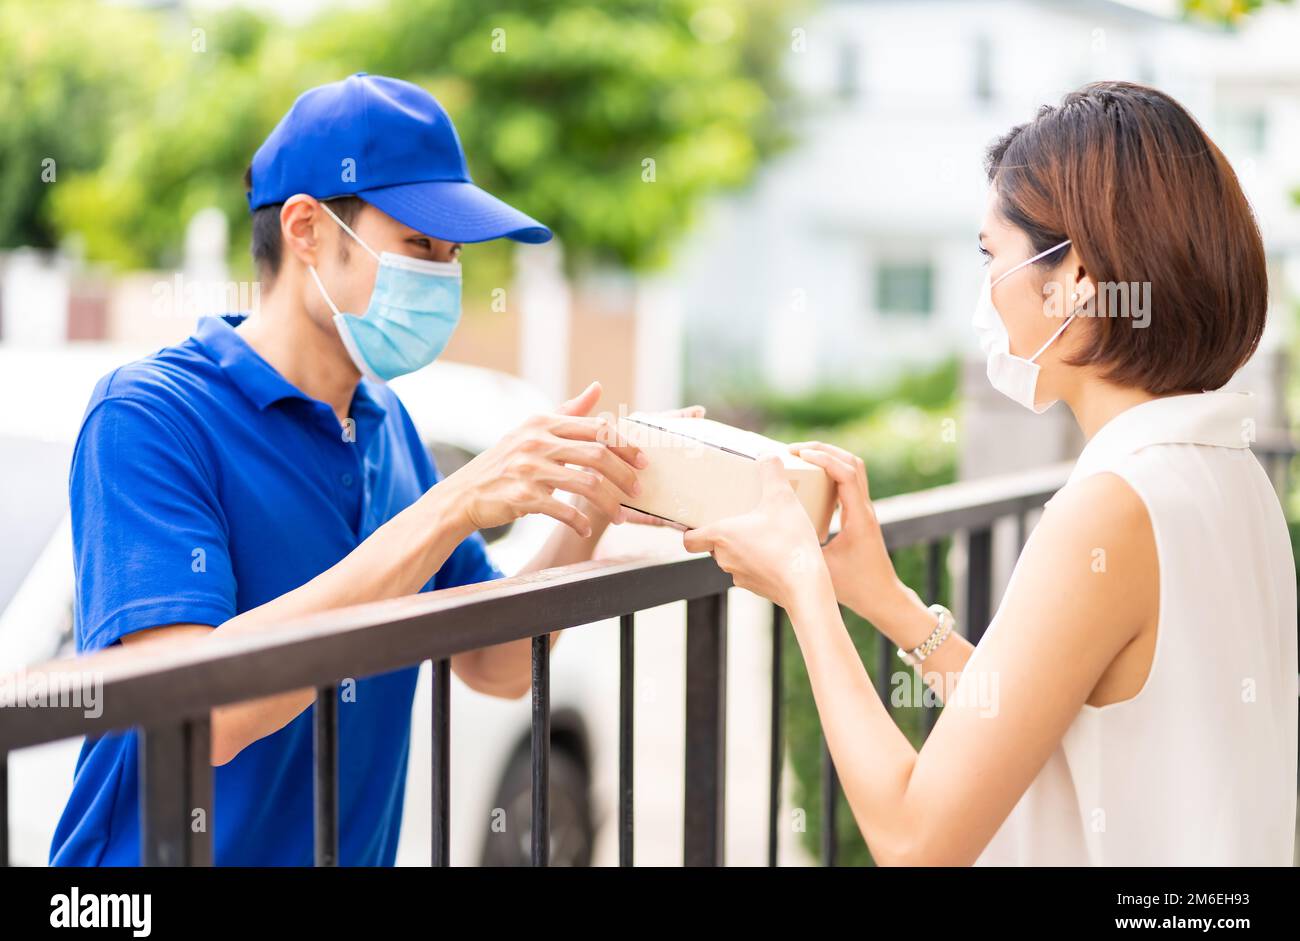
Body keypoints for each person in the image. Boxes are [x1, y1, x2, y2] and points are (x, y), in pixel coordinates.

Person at [51, 72, 697, 865]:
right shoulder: (149, 415)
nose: (442, 275)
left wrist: (590, 504)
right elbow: (197, 713)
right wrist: (454, 504)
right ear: (306, 228)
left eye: (453, 255)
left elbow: (493, 664)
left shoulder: (390, 428)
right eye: (419, 244)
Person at [683, 81, 1298, 865]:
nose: (986, 294)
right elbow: (1034, 716)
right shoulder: (1226, 466)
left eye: (991, 255)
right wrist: (889, 603)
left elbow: (914, 839)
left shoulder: (1113, 505)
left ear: (1075, 278)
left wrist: (804, 588)